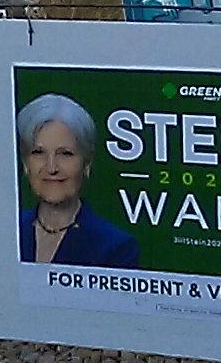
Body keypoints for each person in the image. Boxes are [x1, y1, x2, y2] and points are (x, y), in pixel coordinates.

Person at [17, 92, 139, 268]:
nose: (52, 168)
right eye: (38, 153)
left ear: (86, 163)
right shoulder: (7, 232)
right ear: (25, 163)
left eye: (65, 154)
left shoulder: (116, 247)